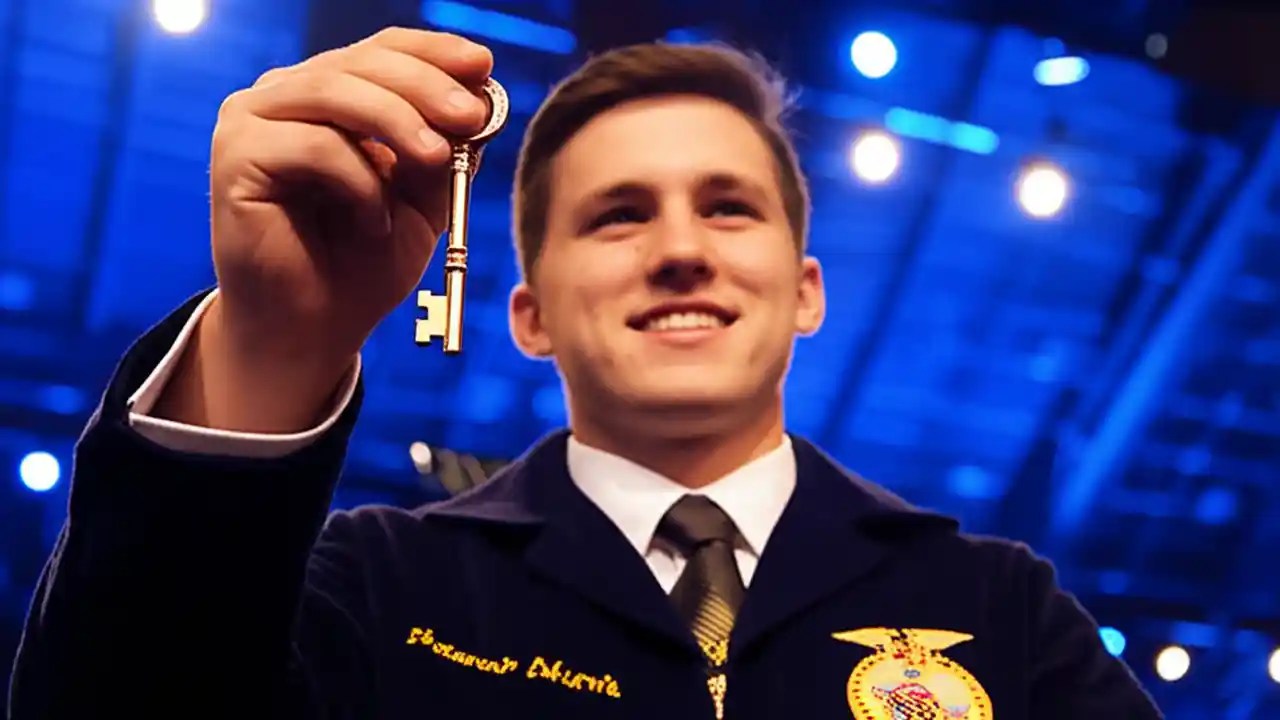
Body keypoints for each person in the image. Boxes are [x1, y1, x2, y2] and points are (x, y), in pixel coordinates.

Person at [7, 29, 1162, 719]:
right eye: (616, 217)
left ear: (805, 289)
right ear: (530, 314)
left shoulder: (996, 609)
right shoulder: (374, 590)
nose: (677, 248)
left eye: (727, 206)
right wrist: (270, 343)